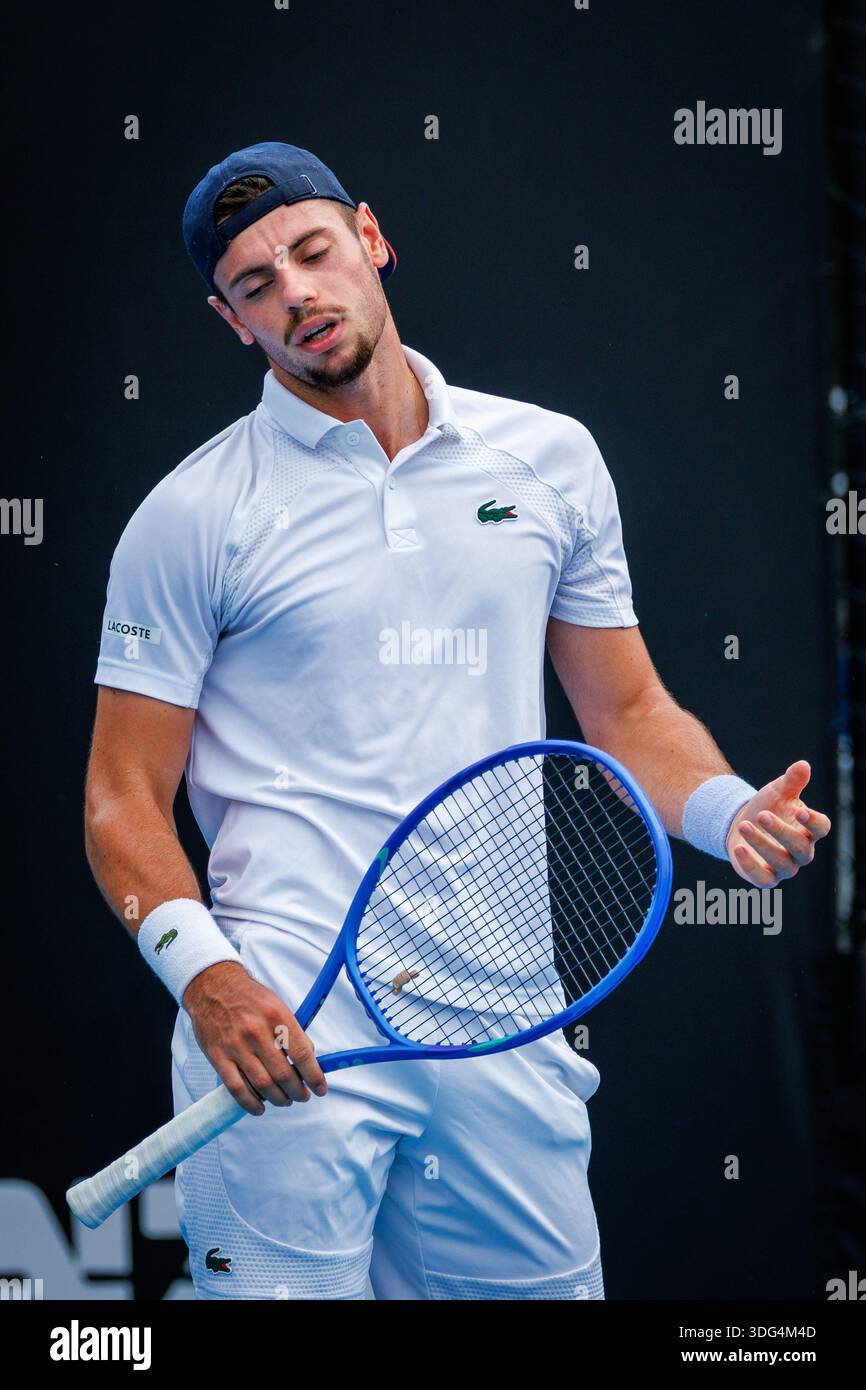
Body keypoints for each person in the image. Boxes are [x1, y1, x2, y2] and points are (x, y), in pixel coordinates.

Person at [85, 141, 830, 1300]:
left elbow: (625, 711)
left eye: (313, 252)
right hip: (284, 1022)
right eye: (255, 285)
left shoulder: (549, 460)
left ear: (370, 239)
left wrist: (728, 811)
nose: (297, 293)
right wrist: (209, 980)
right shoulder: (187, 519)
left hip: (502, 1025)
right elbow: (120, 797)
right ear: (232, 322)